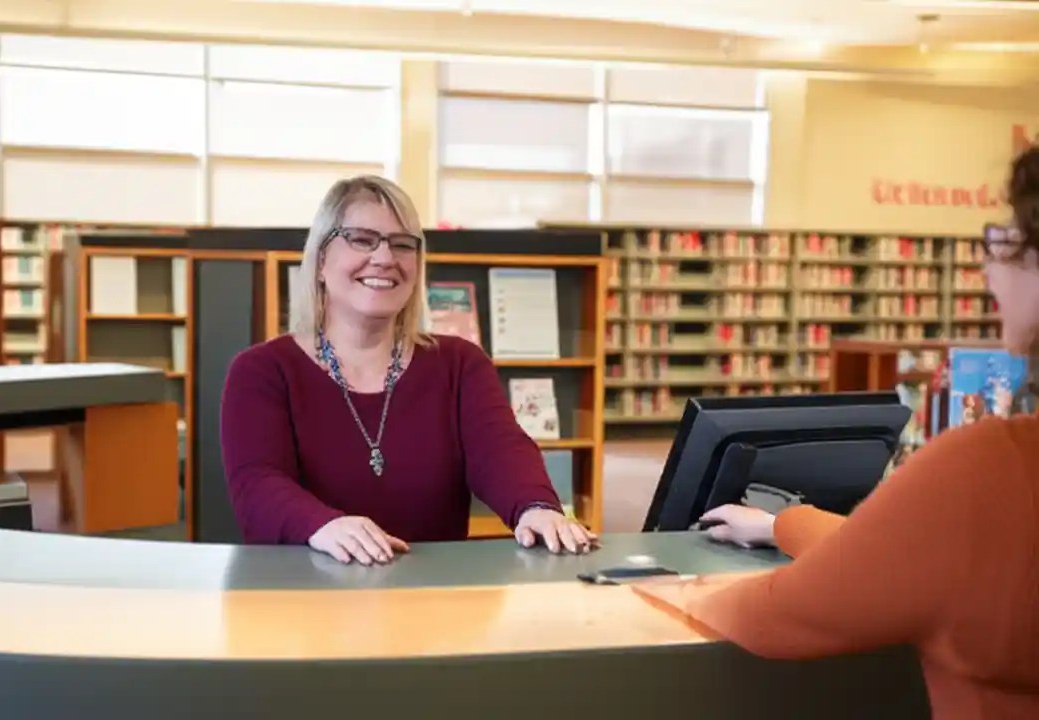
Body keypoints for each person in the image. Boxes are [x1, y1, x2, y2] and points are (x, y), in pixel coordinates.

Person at [640, 151, 1039, 719]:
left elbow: (775, 616)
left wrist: (679, 591)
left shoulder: (993, 467)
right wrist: (782, 525)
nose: (988, 270)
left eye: (1006, 240)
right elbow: (912, 561)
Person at [219, 175, 596, 565]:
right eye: (362, 239)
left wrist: (535, 506)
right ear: (319, 262)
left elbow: (501, 449)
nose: (385, 258)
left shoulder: (460, 365)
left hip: (431, 599)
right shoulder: (262, 372)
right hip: (305, 600)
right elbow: (258, 484)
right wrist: (322, 526)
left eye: (402, 244)